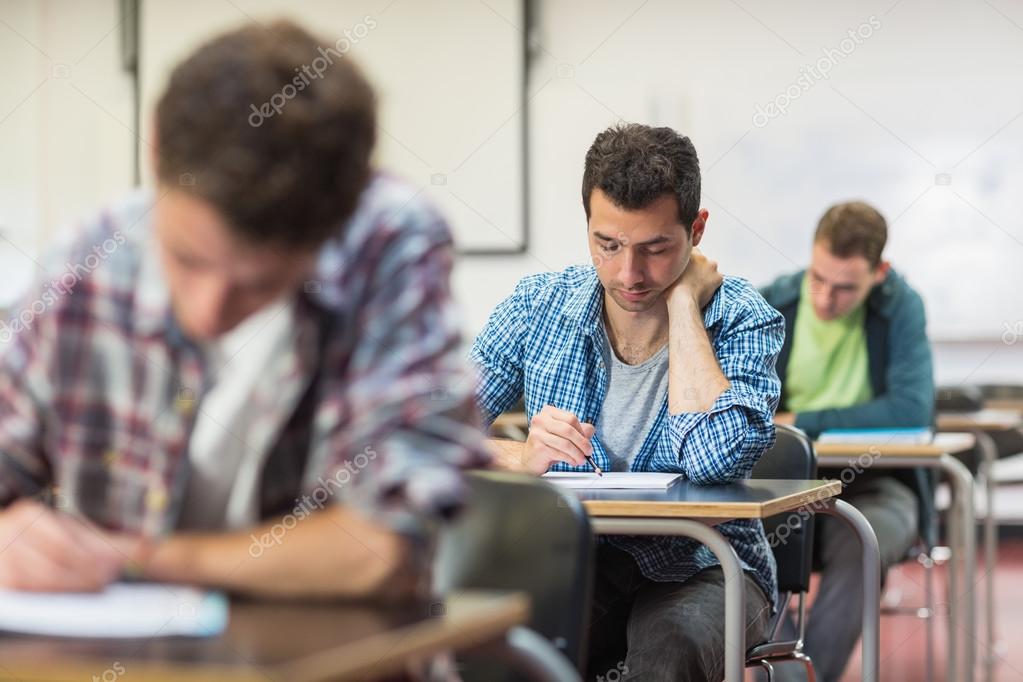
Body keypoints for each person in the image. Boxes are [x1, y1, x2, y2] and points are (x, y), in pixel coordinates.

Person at [0, 20, 487, 600]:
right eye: (186, 259)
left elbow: (378, 549)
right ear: (155, 150)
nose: (207, 314)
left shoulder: (389, 244)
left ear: (333, 223)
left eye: (258, 285)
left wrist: (133, 558)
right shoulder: (86, 262)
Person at [472, 122, 783, 681]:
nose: (629, 275)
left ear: (697, 230)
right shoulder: (537, 306)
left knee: (667, 653)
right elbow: (423, 433)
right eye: (607, 245)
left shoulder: (741, 317)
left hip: (711, 567)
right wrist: (518, 457)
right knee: (492, 646)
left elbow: (714, 459)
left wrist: (686, 305)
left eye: (656, 248)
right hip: (582, 556)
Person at [760, 201, 934, 682]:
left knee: (865, 542)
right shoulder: (773, 302)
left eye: (845, 288)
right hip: (786, 483)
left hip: (876, 484)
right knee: (741, 535)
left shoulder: (900, 305)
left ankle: (809, 677)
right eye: (817, 278)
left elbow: (910, 411)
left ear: (880, 273)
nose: (824, 299)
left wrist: (802, 420)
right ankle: (789, 676)